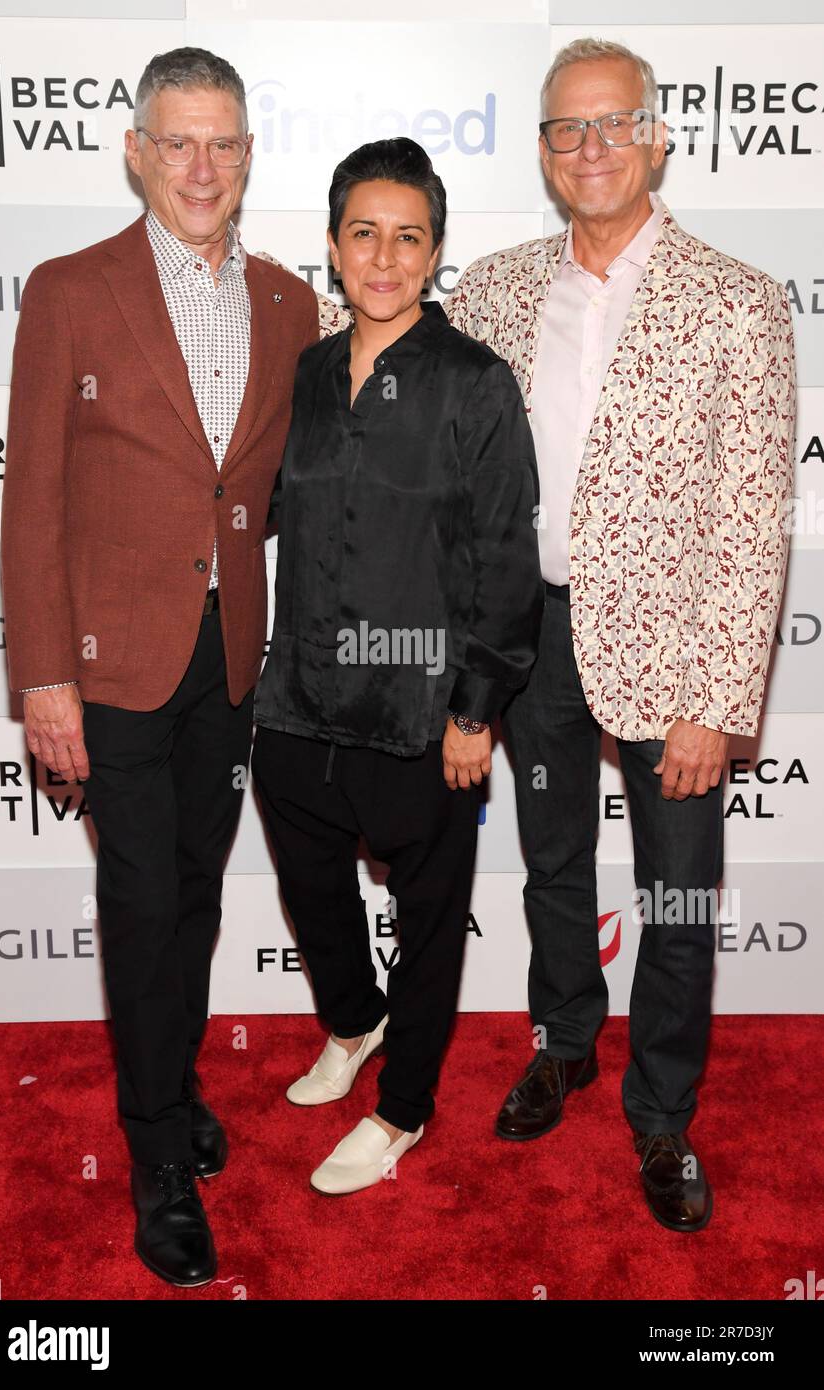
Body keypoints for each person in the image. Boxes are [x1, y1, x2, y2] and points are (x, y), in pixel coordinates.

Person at [0, 46, 344, 1287]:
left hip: (231, 663)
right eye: (179, 141)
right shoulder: (68, 289)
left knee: (193, 896)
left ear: (249, 157)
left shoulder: (283, 300)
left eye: (225, 143)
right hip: (110, 662)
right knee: (145, 900)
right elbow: (29, 500)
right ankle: (154, 1154)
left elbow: (286, 491)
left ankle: (169, 1077)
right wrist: (42, 675)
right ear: (138, 151)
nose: (202, 166)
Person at [445, 38, 796, 1231]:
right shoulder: (493, 287)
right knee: (550, 861)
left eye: (611, 123)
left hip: (674, 650)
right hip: (529, 632)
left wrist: (715, 699)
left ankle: (661, 1112)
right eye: (563, 129)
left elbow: (755, 517)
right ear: (541, 152)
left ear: (655, 136)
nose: (588, 147)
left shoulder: (738, 300)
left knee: (681, 889)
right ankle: (563, 1040)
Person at [251, 137, 543, 1195]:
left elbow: (504, 555)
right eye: (362, 234)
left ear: (433, 253)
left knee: (427, 920)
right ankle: (351, 1019)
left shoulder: (474, 383)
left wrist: (476, 708)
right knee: (311, 886)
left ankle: (403, 1106)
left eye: (406, 237)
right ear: (333, 247)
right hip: (297, 699)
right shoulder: (309, 375)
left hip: (419, 708)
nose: (383, 257)